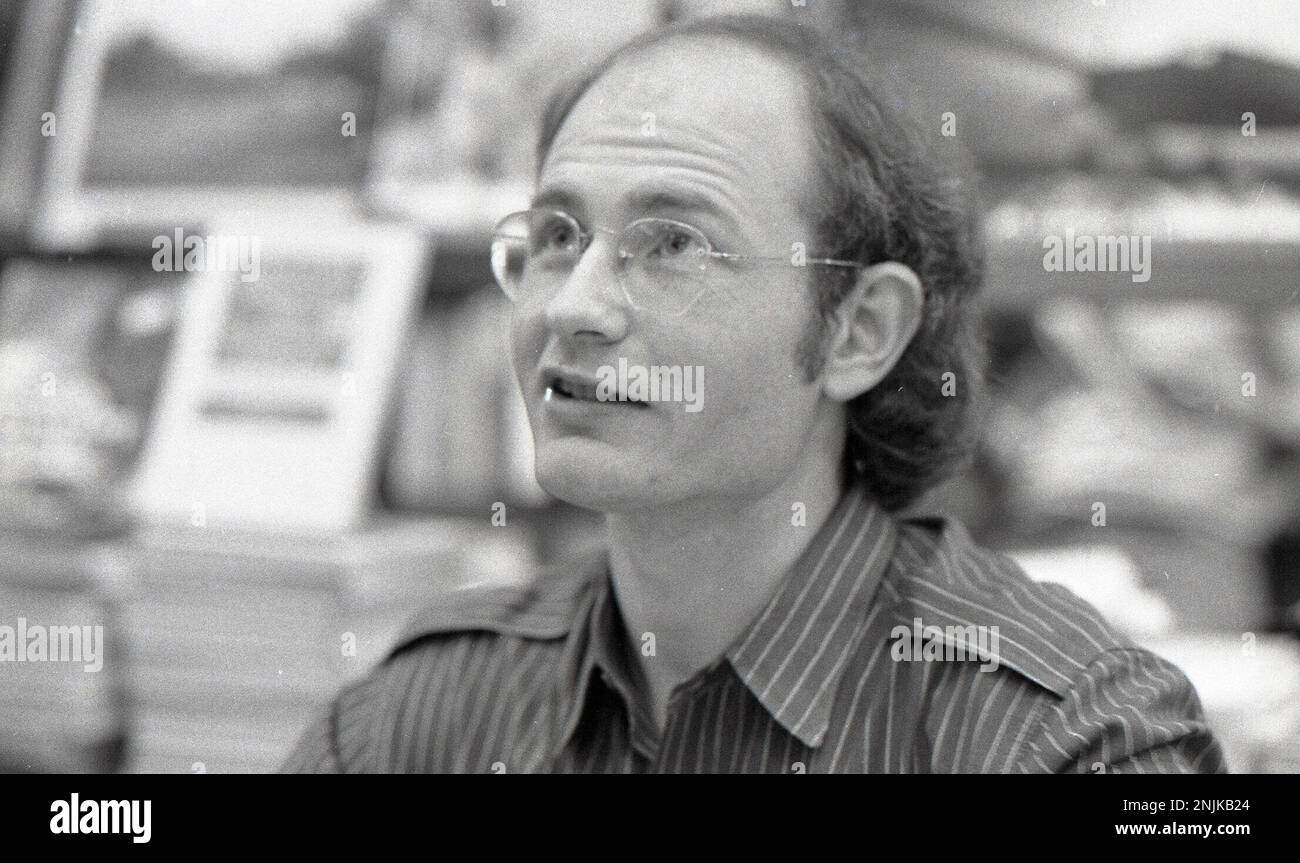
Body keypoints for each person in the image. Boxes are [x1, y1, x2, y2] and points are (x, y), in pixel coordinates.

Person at [281, 14, 1225, 773]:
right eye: (559, 233)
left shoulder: (1073, 739)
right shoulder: (422, 711)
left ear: (858, 330)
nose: (571, 306)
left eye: (674, 244)